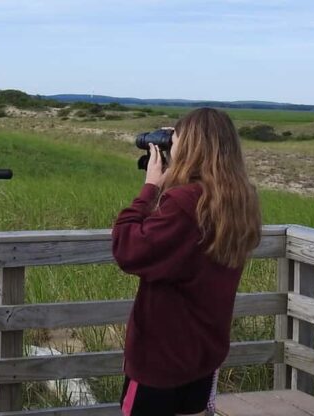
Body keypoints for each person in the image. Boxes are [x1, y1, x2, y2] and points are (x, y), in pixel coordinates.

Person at [111, 108, 262, 416]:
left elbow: (128, 249)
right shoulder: (240, 199)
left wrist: (150, 187)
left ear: (190, 146)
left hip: (161, 357)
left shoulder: (184, 203)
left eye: (175, 139)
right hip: (203, 352)